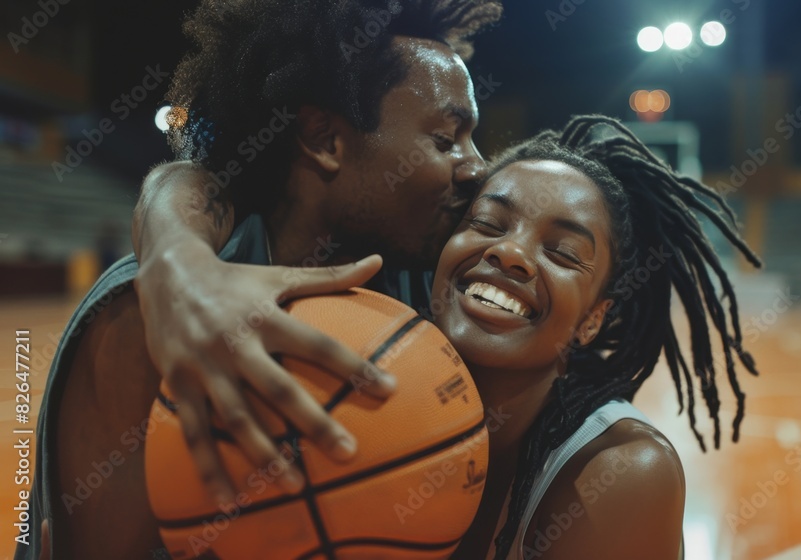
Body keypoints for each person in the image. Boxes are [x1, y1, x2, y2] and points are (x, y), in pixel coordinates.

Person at [16, 0, 502, 557]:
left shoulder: (425, 287)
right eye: (446, 139)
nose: (476, 166)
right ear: (326, 141)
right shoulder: (151, 314)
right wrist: (175, 255)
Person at [432, 116, 760, 559]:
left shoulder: (621, 471)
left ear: (592, 320)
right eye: (489, 223)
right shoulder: (372, 382)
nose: (510, 253)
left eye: (563, 252)